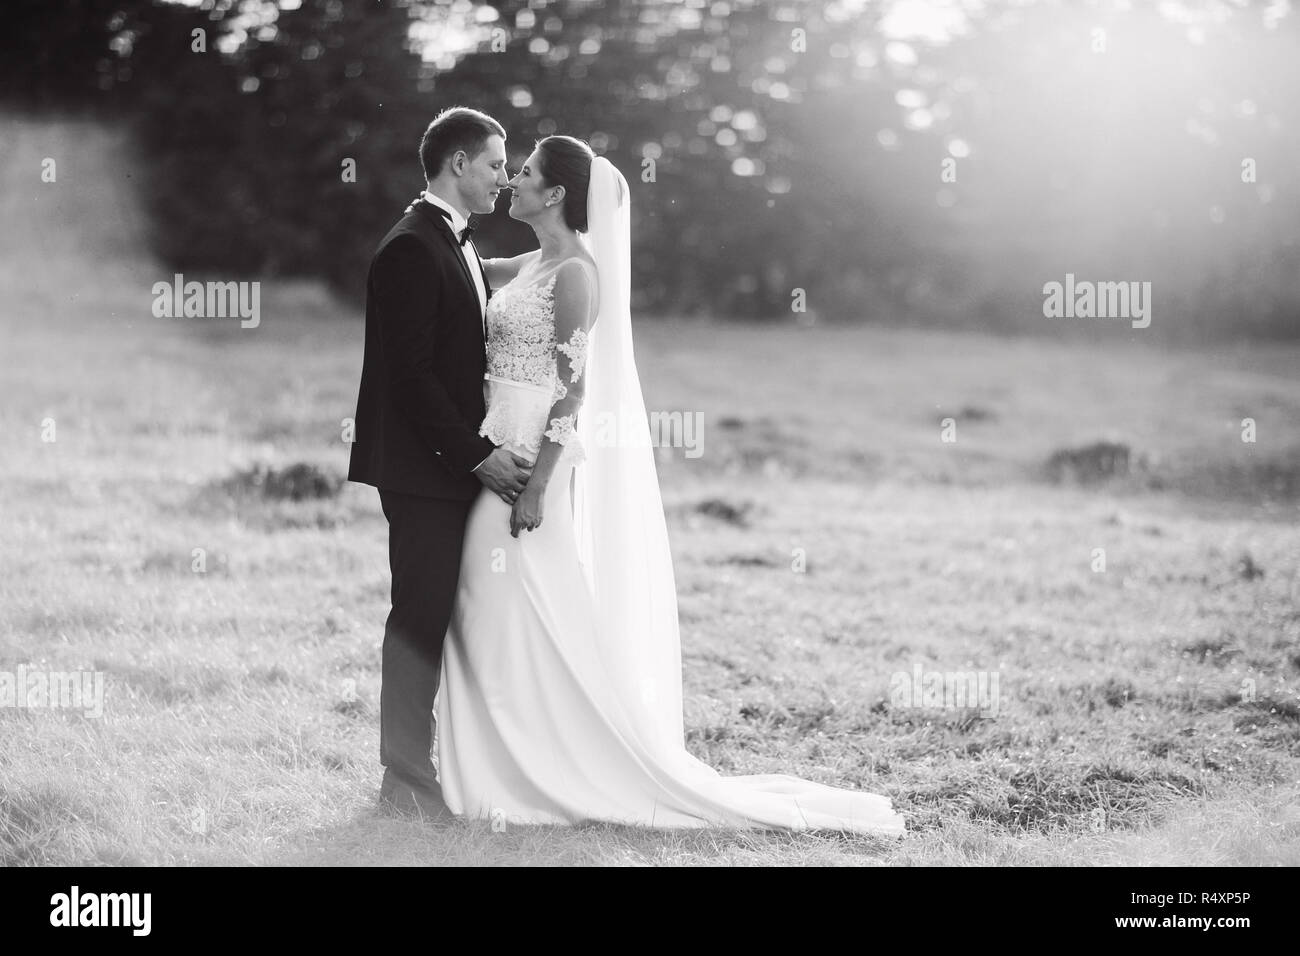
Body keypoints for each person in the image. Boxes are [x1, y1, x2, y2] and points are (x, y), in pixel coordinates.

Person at [434, 134, 906, 838]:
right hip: (490, 445)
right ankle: (497, 759)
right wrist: (433, 221)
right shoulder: (532, 260)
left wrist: (538, 488)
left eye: (524, 173)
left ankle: (540, 764)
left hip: (527, 462)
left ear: (556, 194)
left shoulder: (576, 277)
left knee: (508, 608)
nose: (513, 182)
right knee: (487, 612)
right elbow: (460, 267)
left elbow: (574, 392)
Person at [347, 107, 531, 822]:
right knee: (418, 618)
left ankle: (445, 763)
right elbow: (410, 379)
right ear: (458, 164)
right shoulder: (410, 249)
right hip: (425, 472)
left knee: (447, 614)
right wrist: (478, 458)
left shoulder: (453, 241)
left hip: (450, 466)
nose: (503, 178)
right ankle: (404, 782)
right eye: (494, 164)